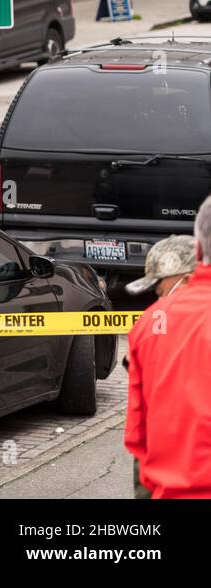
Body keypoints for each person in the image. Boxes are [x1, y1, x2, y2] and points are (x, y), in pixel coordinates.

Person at [125, 206, 211, 499]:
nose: (157, 295)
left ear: (185, 276)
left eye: (159, 285)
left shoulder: (147, 324)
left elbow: (138, 432)